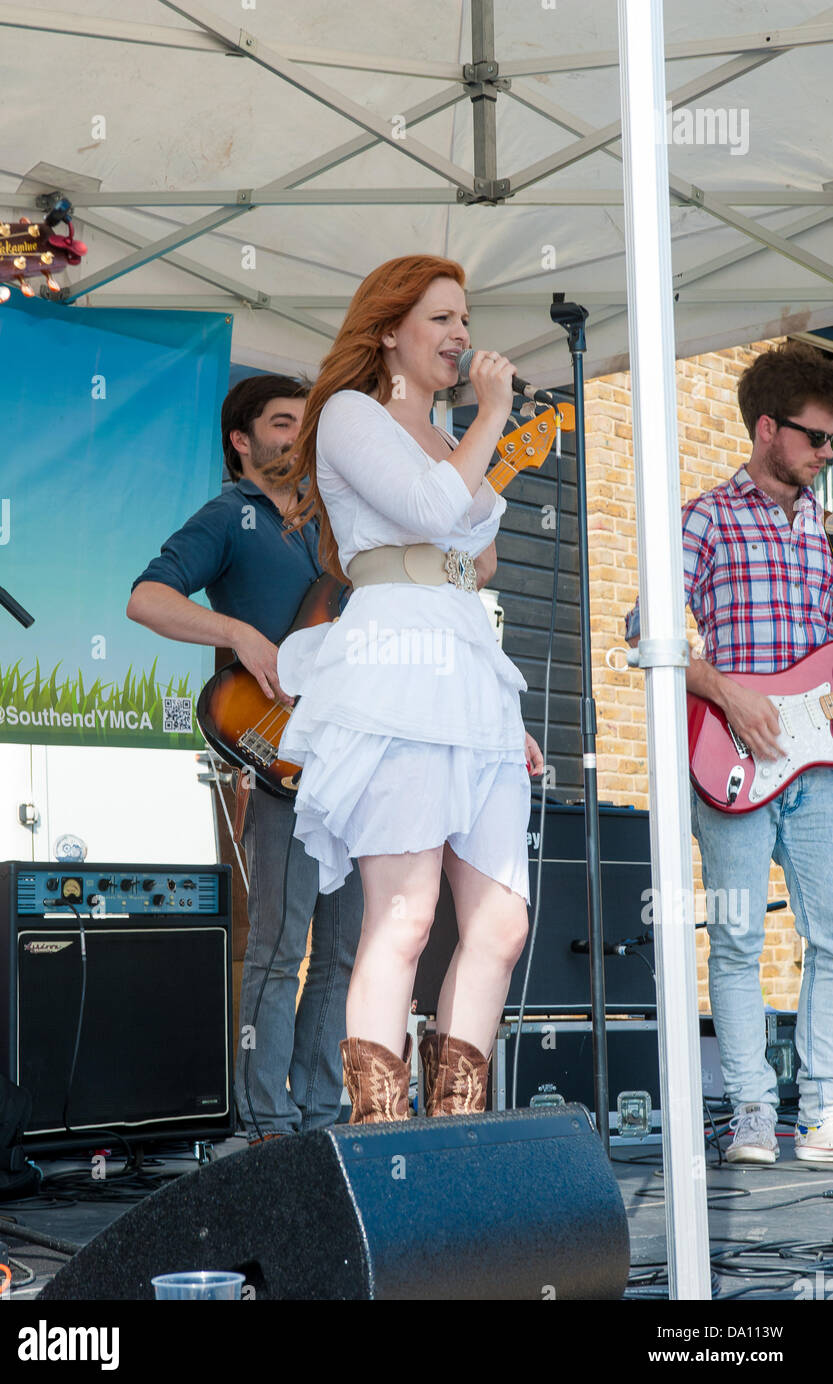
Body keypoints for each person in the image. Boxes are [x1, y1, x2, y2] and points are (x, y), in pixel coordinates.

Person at [272, 254, 545, 1124]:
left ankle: (457, 1128)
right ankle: (380, 1139)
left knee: (500, 924)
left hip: (464, 668)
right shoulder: (351, 415)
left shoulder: (449, 436)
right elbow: (429, 517)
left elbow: (471, 561)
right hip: (393, 667)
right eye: (439, 319)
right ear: (390, 329)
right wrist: (493, 413)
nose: (460, 335)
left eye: (465, 319)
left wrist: (496, 716)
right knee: (404, 917)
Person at [126, 374, 364, 1142]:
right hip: (279, 756)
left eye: (306, 422)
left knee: (343, 952)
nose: (299, 434)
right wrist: (236, 635)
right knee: (279, 946)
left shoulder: (335, 525)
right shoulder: (230, 514)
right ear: (242, 438)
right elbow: (146, 598)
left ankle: (321, 1115)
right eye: (283, 422)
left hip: (352, 758)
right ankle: (266, 1123)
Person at [627, 340, 833, 1164]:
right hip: (732, 756)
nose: (825, 454)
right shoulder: (704, 517)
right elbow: (650, 630)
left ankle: (819, 1110)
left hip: (816, 767)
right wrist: (727, 691)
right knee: (741, 939)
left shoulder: (822, 531)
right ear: (766, 428)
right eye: (816, 438)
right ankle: (750, 1110)